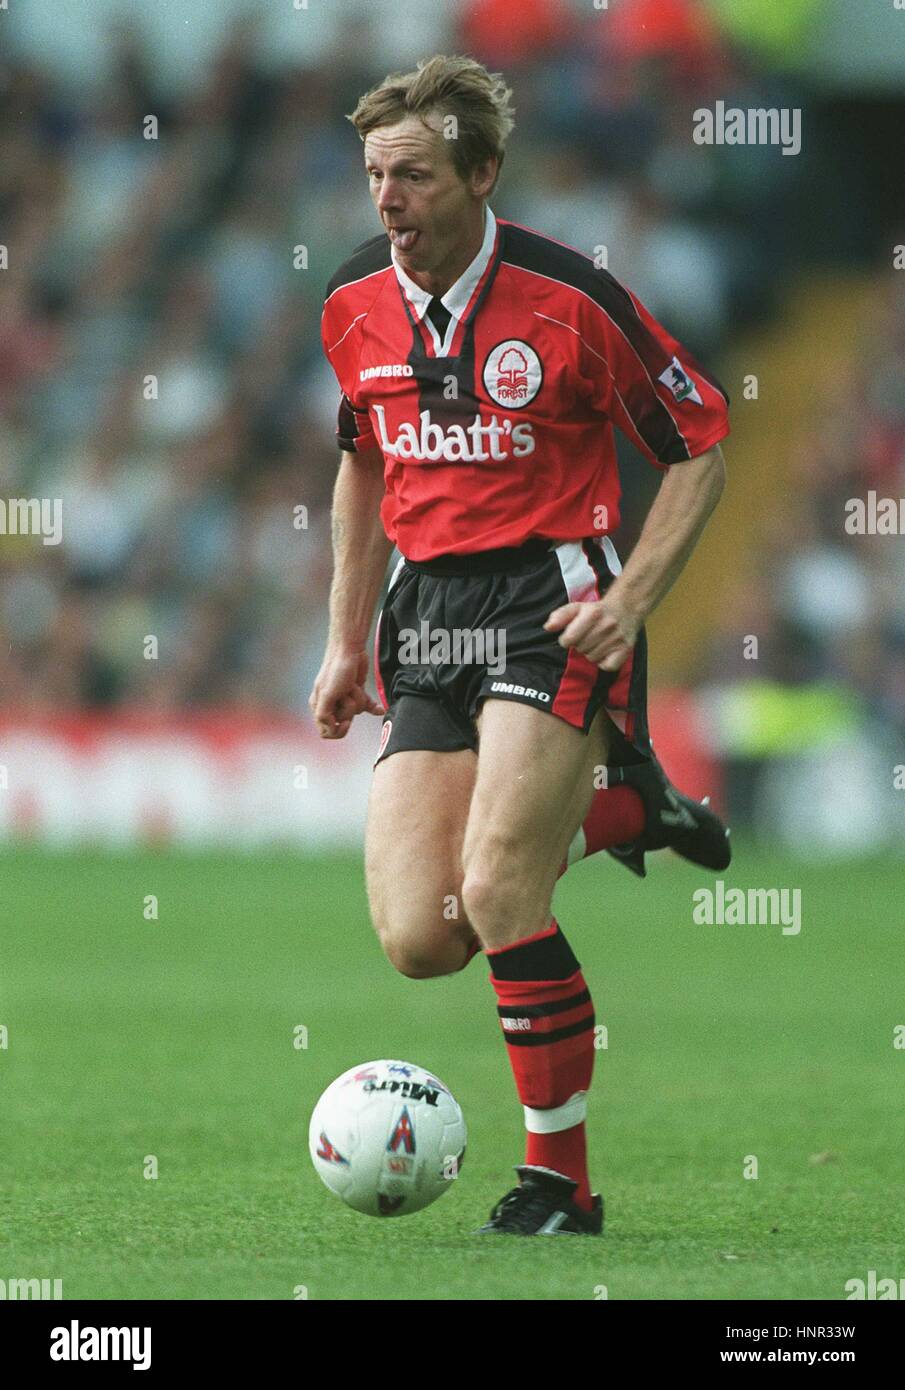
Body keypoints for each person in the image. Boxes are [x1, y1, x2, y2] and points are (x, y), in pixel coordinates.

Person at [311, 55, 730, 1235]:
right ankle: (624, 811)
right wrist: (344, 643)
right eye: (374, 176)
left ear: (482, 174)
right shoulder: (349, 301)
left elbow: (697, 437)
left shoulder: (570, 298)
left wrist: (632, 597)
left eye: (414, 176)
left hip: (553, 600)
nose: (387, 201)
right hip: (424, 610)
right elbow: (360, 457)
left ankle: (561, 1183)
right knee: (418, 935)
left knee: (497, 888)